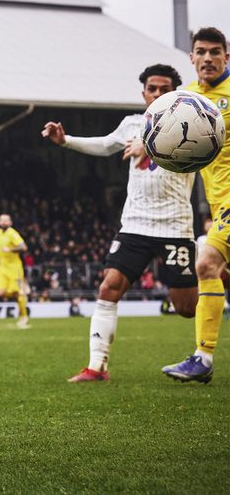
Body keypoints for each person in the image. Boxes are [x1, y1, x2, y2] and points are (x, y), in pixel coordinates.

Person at [43, 64, 197, 382]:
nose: (157, 94)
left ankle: (214, 271)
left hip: (175, 226)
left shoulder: (191, 124)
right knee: (109, 287)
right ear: (143, 93)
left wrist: (149, 146)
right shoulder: (132, 124)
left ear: (176, 93)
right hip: (136, 224)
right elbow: (105, 145)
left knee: (186, 308)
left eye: (164, 88)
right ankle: (96, 367)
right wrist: (65, 140)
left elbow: (190, 155)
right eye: (152, 88)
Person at [163, 27, 230, 383]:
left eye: (215, 51)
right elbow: (162, 132)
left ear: (226, 57)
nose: (207, 58)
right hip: (219, 204)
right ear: (191, 58)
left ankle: (202, 358)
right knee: (218, 272)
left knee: (206, 264)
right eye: (201, 51)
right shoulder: (186, 97)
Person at [0, 214, 30, 328]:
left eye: (6, 220)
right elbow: (0, 247)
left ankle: (24, 317)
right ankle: (20, 291)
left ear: (10, 222)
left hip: (15, 268)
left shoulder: (13, 233)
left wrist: (11, 249)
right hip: (2, 268)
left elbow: (24, 247)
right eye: (1, 220)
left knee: (19, 293)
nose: (3, 222)